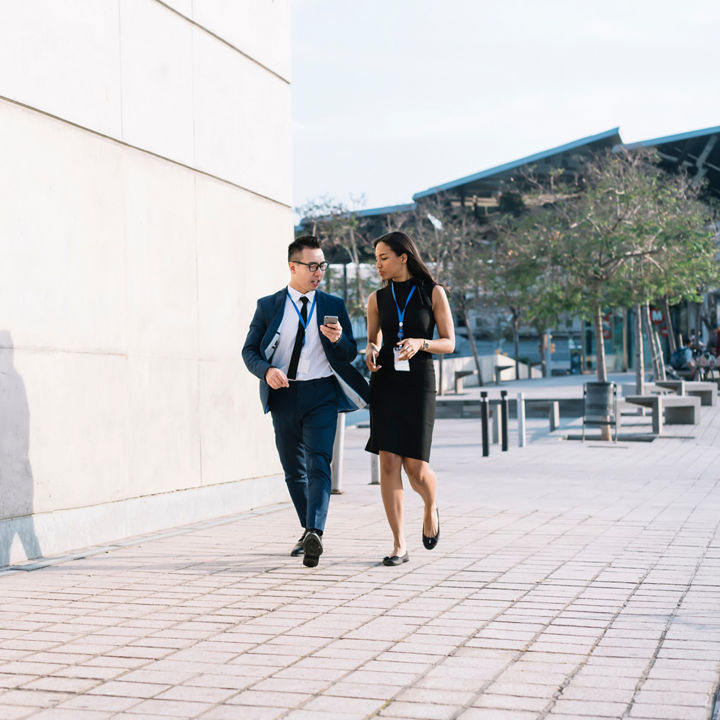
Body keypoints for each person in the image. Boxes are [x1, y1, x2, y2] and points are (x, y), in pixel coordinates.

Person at [242, 235, 369, 567]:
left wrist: (340, 340)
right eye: (312, 266)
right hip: (284, 393)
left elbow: (349, 353)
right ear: (293, 267)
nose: (319, 272)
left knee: (318, 463)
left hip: (322, 394)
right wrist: (266, 371)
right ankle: (307, 529)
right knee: (292, 470)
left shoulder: (333, 305)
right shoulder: (269, 306)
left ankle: (316, 530)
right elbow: (249, 351)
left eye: (322, 265)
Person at [365, 231, 455, 566]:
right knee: (388, 461)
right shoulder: (376, 299)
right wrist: (371, 350)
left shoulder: (433, 292)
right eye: (375, 258)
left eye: (383, 257)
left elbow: (449, 342)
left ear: (404, 257)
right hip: (386, 381)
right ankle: (398, 543)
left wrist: (421, 343)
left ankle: (431, 506)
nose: (378, 265)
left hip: (418, 383)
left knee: (416, 469)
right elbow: (373, 339)